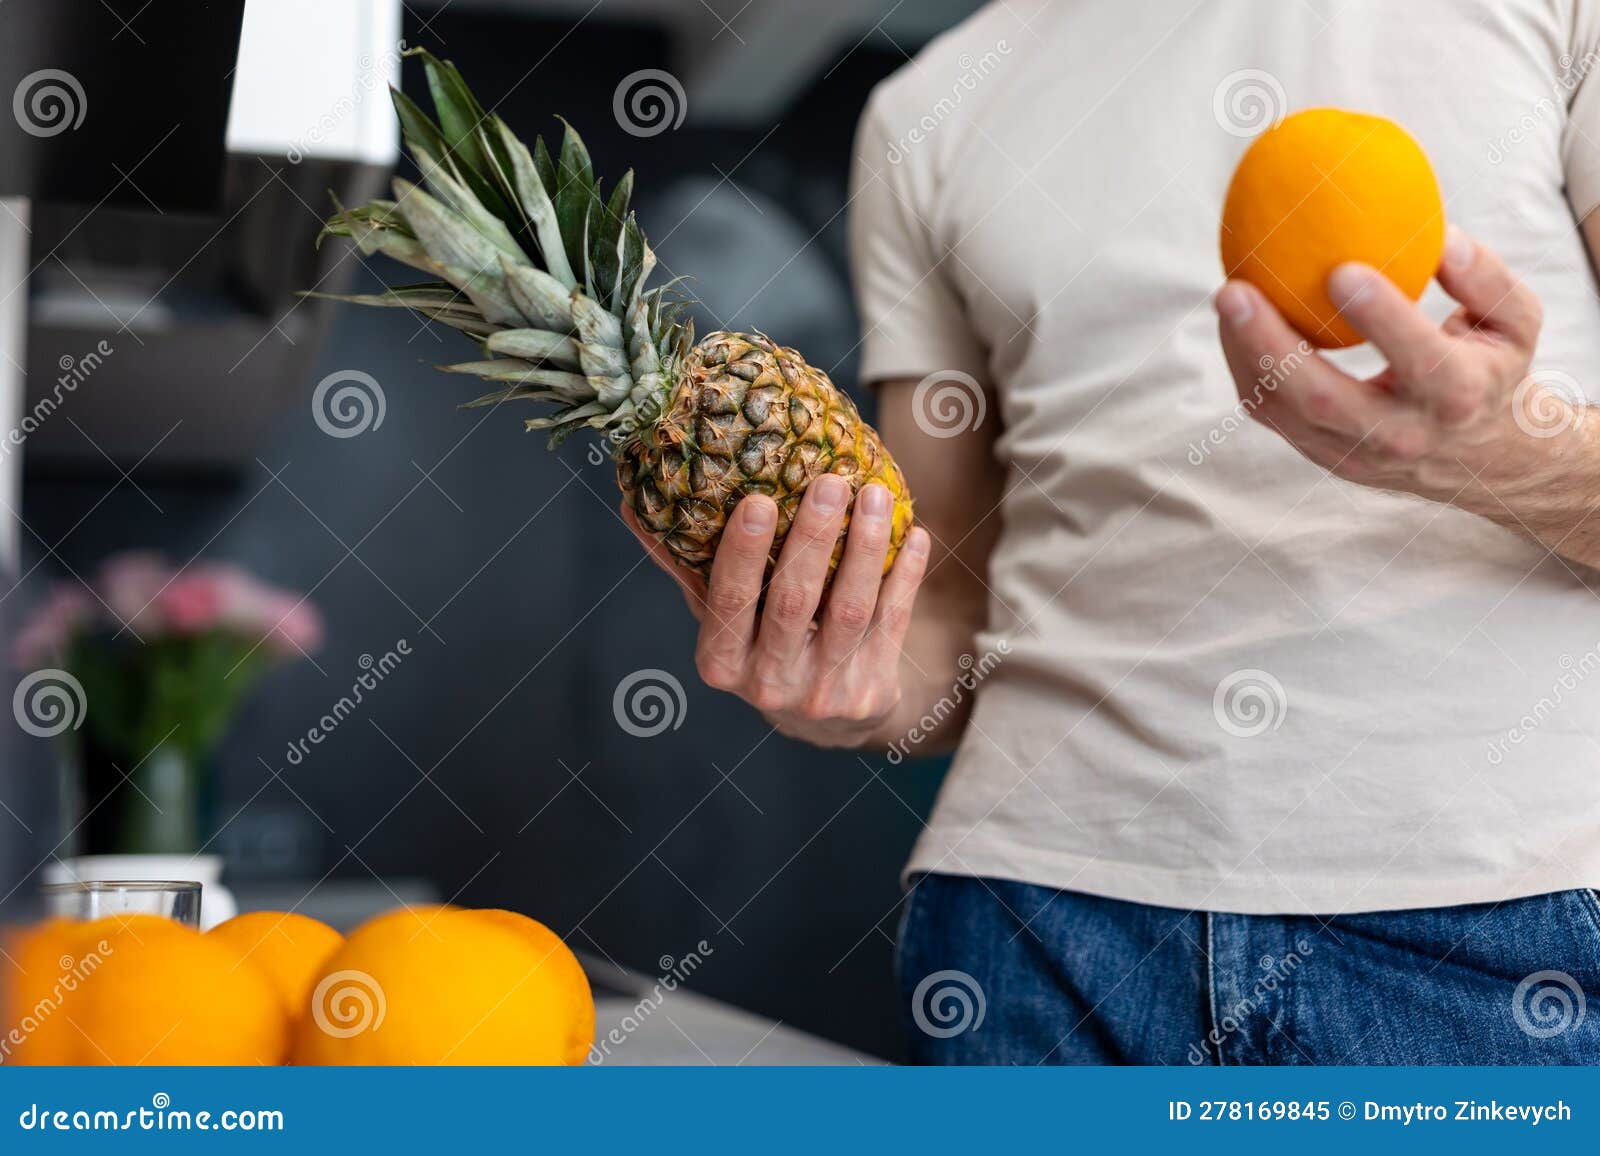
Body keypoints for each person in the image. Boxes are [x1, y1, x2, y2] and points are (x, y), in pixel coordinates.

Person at [627, 0, 1600, 1064]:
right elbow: (948, 597)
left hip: (1495, 925)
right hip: (1035, 931)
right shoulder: (924, 113)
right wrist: (839, 673)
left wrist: (1512, 458)